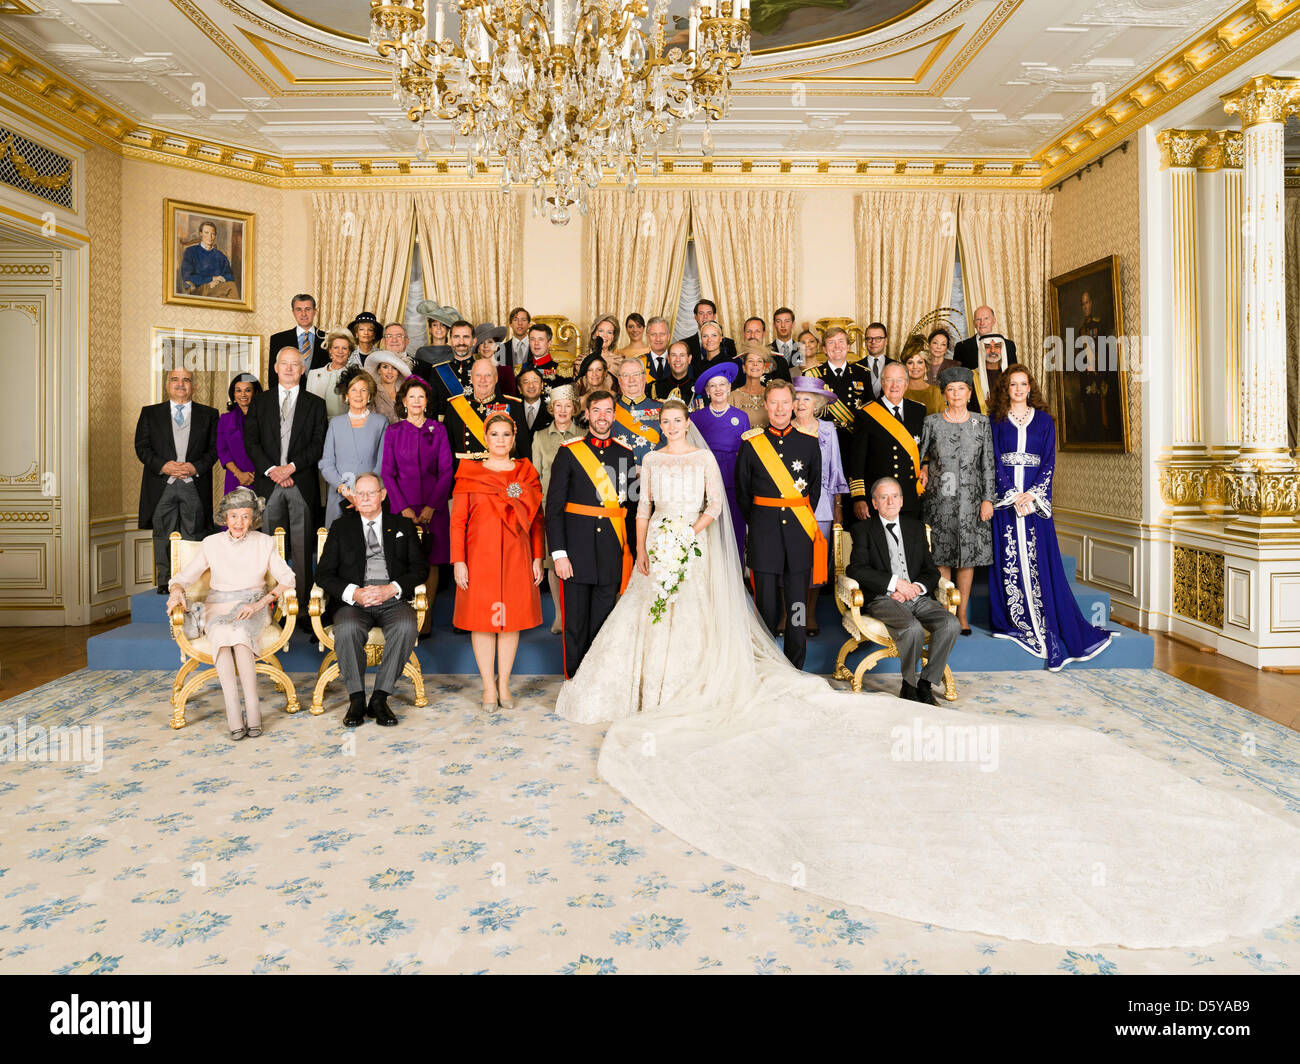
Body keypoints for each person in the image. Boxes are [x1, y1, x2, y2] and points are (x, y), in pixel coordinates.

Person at [556, 398, 725, 718]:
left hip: (693, 539)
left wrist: (690, 533)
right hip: (657, 540)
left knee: (692, 610)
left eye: (677, 421)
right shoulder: (650, 459)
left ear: (688, 423)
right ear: (659, 425)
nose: (672, 427)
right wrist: (641, 549)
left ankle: (687, 682)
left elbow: (714, 505)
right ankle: (643, 683)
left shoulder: (704, 457)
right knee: (649, 611)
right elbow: (643, 508)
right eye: (666, 422)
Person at [989, 365, 1113, 669]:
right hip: (1006, 505)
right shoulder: (995, 421)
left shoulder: (1044, 421)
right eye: (1013, 384)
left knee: (1040, 560)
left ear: (1031, 387)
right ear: (1005, 388)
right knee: (1009, 561)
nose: (1018, 389)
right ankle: (1018, 619)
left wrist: (1031, 495)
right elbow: (992, 459)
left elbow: (1048, 462)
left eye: (1023, 384)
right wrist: (1011, 494)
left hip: (1034, 504)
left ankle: (1047, 621)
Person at [165, 488, 295, 739]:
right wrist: (177, 592)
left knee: (237, 632)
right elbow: (182, 578)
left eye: (245, 516)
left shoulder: (264, 542)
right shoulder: (211, 543)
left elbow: (288, 579)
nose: (239, 522)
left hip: (253, 604)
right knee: (225, 634)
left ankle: (253, 711)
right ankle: (234, 714)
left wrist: (262, 603)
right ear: (225, 518)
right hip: (217, 606)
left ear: (253, 518)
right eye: (234, 516)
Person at [315, 472, 428, 727]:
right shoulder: (341, 528)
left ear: (383, 495)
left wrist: (392, 589)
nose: (365, 498)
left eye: (371, 493)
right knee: (347, 628)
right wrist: (354, 593)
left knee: (405, 625)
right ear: (354, 496)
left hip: (392, 598)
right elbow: (323, 574)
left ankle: (380, 697)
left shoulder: (402, 526)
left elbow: (420, 569)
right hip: (355, 600)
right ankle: (356, 698)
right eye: (360, 493)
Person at [451, 414, 546, 710]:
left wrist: (537, 557)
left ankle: (504, 683)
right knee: (482, 622)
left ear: (513, 437)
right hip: (479, 557)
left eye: (506, 434)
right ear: (486, 437)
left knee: (510, 622)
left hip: (517, 556)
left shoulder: (524, 473)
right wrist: (458, 561)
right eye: (495, 434)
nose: (501, 440)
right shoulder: (469, 472)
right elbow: (458, 522)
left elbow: (536, 519)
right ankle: (488, 687)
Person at [545, 391, 639, 678]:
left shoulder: (625, 454)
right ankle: (573, 680)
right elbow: (554, 508)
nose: (602, 416)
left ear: (614, 415)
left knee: (604, 622)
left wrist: (633, 554)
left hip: (611, 551)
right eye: (596, 410)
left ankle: (595, 683)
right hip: (575, 552)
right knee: (575, 623)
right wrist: (559, 553)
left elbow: (631, 509)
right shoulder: (570, 451)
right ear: (586, 414)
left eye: (607, 411)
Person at [845, 476, 960, 704]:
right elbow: (855, 569)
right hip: (883, 598)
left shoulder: (915, 527)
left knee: (951, 623)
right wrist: (895, 583)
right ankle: (909, 684)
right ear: (874, 503)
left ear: (901, 501)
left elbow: (931, 570)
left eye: (895, 496)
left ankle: (926, 683)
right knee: (912, 628)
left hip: (917, 595)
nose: (890, 502)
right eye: (883, 497)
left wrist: (915, 587)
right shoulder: (863, 530)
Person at [735, 381, 823, 670]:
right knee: (767, 610)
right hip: (764, 536)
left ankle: (795, 667)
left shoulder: (809, 444)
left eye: (785, 402)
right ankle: (767, 668)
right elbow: (743, 494)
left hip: (798, 538)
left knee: (797, 608)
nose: (780, 409)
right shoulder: (751, 445)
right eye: (773, 402)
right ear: (765, 405)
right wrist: (762, 523)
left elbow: (814, 491)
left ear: (794, 404)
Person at [244, 346, 327, 611]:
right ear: (276, 368)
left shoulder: (315, 403)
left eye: (295, 364)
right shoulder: (259, 401)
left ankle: (302, 610)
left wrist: (289, 468)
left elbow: (318, 444)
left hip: (300, 483)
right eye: (285, 363)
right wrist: (273, 470)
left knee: (302, 551)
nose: (290, 368)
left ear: (302, 370)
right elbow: (251, 442)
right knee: (268, 548)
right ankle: (270, 610)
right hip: (269, 484)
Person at [918, 365, 995, 635]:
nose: (956, 393)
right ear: (944, 394)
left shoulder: (981, 423)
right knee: (940, 556)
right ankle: (944, 615)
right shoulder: (932, 422)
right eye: (950, 389)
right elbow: (919, 455)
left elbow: (988, 465)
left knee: (967, 558)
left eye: (961, 388)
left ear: (970, 393)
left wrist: (988, 499)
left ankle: (961, 615)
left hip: (972, 502)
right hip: (940, 501)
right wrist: (925, 466)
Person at [381, 375, 454, 635]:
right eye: (411, 397)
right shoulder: (394, 432)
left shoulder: (439, 429)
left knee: (431, 561)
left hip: (434, 508)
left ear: (426, 402)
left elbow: (447, 471)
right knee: (403, 561)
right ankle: (404, 618)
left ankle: (427, 617)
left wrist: (432, 506)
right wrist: (403, 508)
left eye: (420, 397)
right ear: (403, 401)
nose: (416, 401)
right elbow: (387, 473)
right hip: (402, 507)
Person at [135, 367, 219, 592]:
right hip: (162, 484)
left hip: (195, 484)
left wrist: (195, 467)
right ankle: (165, 581)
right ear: (167, 385)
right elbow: (142, 448)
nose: (180, 384)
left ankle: (192, 581)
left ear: (194, 386)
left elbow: (214, 450)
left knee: (194, 534)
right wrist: (164, 465)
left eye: (186, 380)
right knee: (162, 533)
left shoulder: (209, 414)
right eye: (175, 380)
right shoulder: (150, 413)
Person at [792, 376, 849, 636]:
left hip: (823, 506)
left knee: (816, 564)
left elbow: (836, 468)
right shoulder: (784, 428)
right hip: (790, 506)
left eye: (806, 399)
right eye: (796, 398)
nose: (800, 403)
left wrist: (838, 507)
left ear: (816, 404)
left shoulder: (828, 429)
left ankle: (810, 614)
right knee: (791, 563)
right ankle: (792, 615)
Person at [531, 385, 583, 635]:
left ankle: (577, 612)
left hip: (579, 507)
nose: (562, 410)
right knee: (553, 562)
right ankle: (559, 614)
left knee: (578, 560)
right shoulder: (540, 437)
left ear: (574, 408)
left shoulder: (584, 434)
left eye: (567, 406)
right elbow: (535, 476)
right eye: (558, 406)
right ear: (552, 408)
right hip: (550, 508)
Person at [849, 361, 925, 520]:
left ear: (906, 384)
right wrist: (859, 498)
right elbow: (856, 461)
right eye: (889, 380)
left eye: (899, 380)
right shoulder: (866, 414)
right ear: (882, 383)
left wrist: (926, 466)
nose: (894, 385)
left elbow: (925, 449)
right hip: (879, 499)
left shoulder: (919, 410)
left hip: (909, 497)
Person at [690, 361, 748, 559]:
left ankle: (735, 584)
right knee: (710, 536)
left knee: (735, 534)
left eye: (722, 384)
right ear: (706, 391)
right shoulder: (696, 418)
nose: (718, 389)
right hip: (706, 486)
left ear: (729, 387)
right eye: (713, 386)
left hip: (734, 485)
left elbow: (746, 456)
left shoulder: (741, 417)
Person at [320, 369, 387, 527]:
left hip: (370, 497)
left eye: (363, 390)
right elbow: (326, 463)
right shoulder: (335, 424)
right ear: (346, 396)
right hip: (339, 496)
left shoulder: (380, 422)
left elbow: (382, 462)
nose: (359, 394)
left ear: (369, 395)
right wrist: (345, 491)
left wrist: (365, 493)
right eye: (354, 390)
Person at [442, 358, 529, 470]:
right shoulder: (455, 407)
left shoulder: (513, 406)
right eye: (478, 375)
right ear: (471, 379)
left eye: (488, 375)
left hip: (501, 475)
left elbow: (524, 451)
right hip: (466, 475)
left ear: (496, 378)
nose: (482, 380)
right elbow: (446, 452)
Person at [806, 326, 870, 455]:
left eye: (841, 342)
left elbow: (871, 410)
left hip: (855, 443)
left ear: (848, 346)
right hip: (823, 442)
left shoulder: (862, 374)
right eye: (831, 342)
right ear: (824, 349)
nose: (837, 346)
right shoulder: (811, 375)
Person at [267, 293, 327, 386]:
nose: (303, 314)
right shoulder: (278, 339)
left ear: (315, 311)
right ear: (293, 312)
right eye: (299, 309)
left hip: (320, 395)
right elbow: (273, 376)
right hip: (289, 395)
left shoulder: (328, 338)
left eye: (308, 309)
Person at [217, 373, 260, 498]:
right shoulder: (225, 419)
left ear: (255, 393)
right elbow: (222, 451)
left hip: (260, 477)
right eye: (238, 391)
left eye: (248, 390)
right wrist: (239, 473)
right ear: (234, 394)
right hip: (235, 478)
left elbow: (270, 448)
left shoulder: (265, 418)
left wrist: (256, 474)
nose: (243, 395)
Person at [612, 357, 662, 466]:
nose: (631, 380)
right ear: (619, 380)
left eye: (636, 374)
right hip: (619, 474)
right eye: (626, 375)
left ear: (644, 377)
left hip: (653, 474)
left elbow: (669, 444)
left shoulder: (662, 409)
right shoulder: (610, 411)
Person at [180, 220, 238, 299]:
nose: (210, 237)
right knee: (231, 287)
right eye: (206, 233)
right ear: (201, 234)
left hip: (217, 287)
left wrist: (218, 281)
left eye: (213, 234)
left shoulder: (220, 256)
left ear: (215, 236)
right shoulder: (191, 251)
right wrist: (210, 279)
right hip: (199, 289)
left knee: (228, 290)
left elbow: (230, 276)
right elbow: (187, 276)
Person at [306, 329, 357, 418]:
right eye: (336, 347)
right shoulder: (313, 375)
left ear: (349, 352)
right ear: (330, 350)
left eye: (344, 348)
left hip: (346, 425)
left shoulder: (357, 375)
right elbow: (308, 407)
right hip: (318, 427)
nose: (340, 351)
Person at [954, 305, 1017, 371]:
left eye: (986, 318)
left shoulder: (1008, 345)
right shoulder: (961, 347)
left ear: (994, 321)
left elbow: (1014, 373)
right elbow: (957, 376)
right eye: (978, 319)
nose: (982, 323)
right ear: (974, 323)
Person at [364, 343, 411, 425]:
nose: (390, 371)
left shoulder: (405, 393)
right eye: (385, 367)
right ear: (379, 370)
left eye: (394, 368)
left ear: (398, 372)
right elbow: (371, 424)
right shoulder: (372, 394)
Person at [730, 345, 773, 430]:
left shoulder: (771, 394)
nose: (755, 364)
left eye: (759, 361)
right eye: (750, 361)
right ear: (744, 368)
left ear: (764, 368)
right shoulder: (732, 397)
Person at [682, 299, 736, 364]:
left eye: (709, 313)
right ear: (695, 316)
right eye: (701, 313)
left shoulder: (729, 343)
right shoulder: (685, 344)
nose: (705, 317)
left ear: (714, 316)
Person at [413, 301, 459, 375]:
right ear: (430, 329)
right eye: (434, 325)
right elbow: (418, 378)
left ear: (447, 329)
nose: (439, 328)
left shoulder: (455, 351)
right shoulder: (422, 352)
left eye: (443, 325)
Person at [739, 316, 792, 381]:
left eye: (757, 331)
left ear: (764, 334)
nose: (752, 335)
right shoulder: (735, 363)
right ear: (743, 333)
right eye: (748, 331)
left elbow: (788, 389)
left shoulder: (779, 361)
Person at [473, 321, 515, 396]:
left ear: (496, 346)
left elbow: (511, 401)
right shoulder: (471, 370)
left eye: (490, 342)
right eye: (482, 343)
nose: (486, 346)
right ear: (478, 348)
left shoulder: (506, 371)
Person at [972, 333, 1008, 414]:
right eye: (987, 347)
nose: (992, 350)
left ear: (1002, 350)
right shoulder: (972, 376)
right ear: (982, 350)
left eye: (997, 346)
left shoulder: (1010, 376)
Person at [575, 351, 615, 423]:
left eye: (599, 370)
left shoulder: (615, 398)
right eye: (590, 370)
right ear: (586, 374)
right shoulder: (580, 401)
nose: (594, 374)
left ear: (605, 372)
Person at [903, 347, 945, 415]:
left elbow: (944, 420)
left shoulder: (936, 392)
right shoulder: (898, 391)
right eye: (910, 363)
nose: (915, 367)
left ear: (926, 366)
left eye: (920, 362)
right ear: (905, 366)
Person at [516, 366, 550, 441]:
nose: (531, 386)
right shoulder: (513, 410)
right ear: (519, 388)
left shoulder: (552, 410)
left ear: (541, 385)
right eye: (526, 382)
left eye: (535, 381)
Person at [860, 321, 891, 400]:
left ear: (886, 341)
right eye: (869, 338)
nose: (873, 342)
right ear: (866, 341)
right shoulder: (854, 368)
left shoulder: (896, 366)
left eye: (878, 338)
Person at [641, 316, 673, 384]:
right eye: (653, 334)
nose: (658, 339)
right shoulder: (639, 363)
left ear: (668, 336)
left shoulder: (679, 362)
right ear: (647, 337)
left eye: (662, 334)